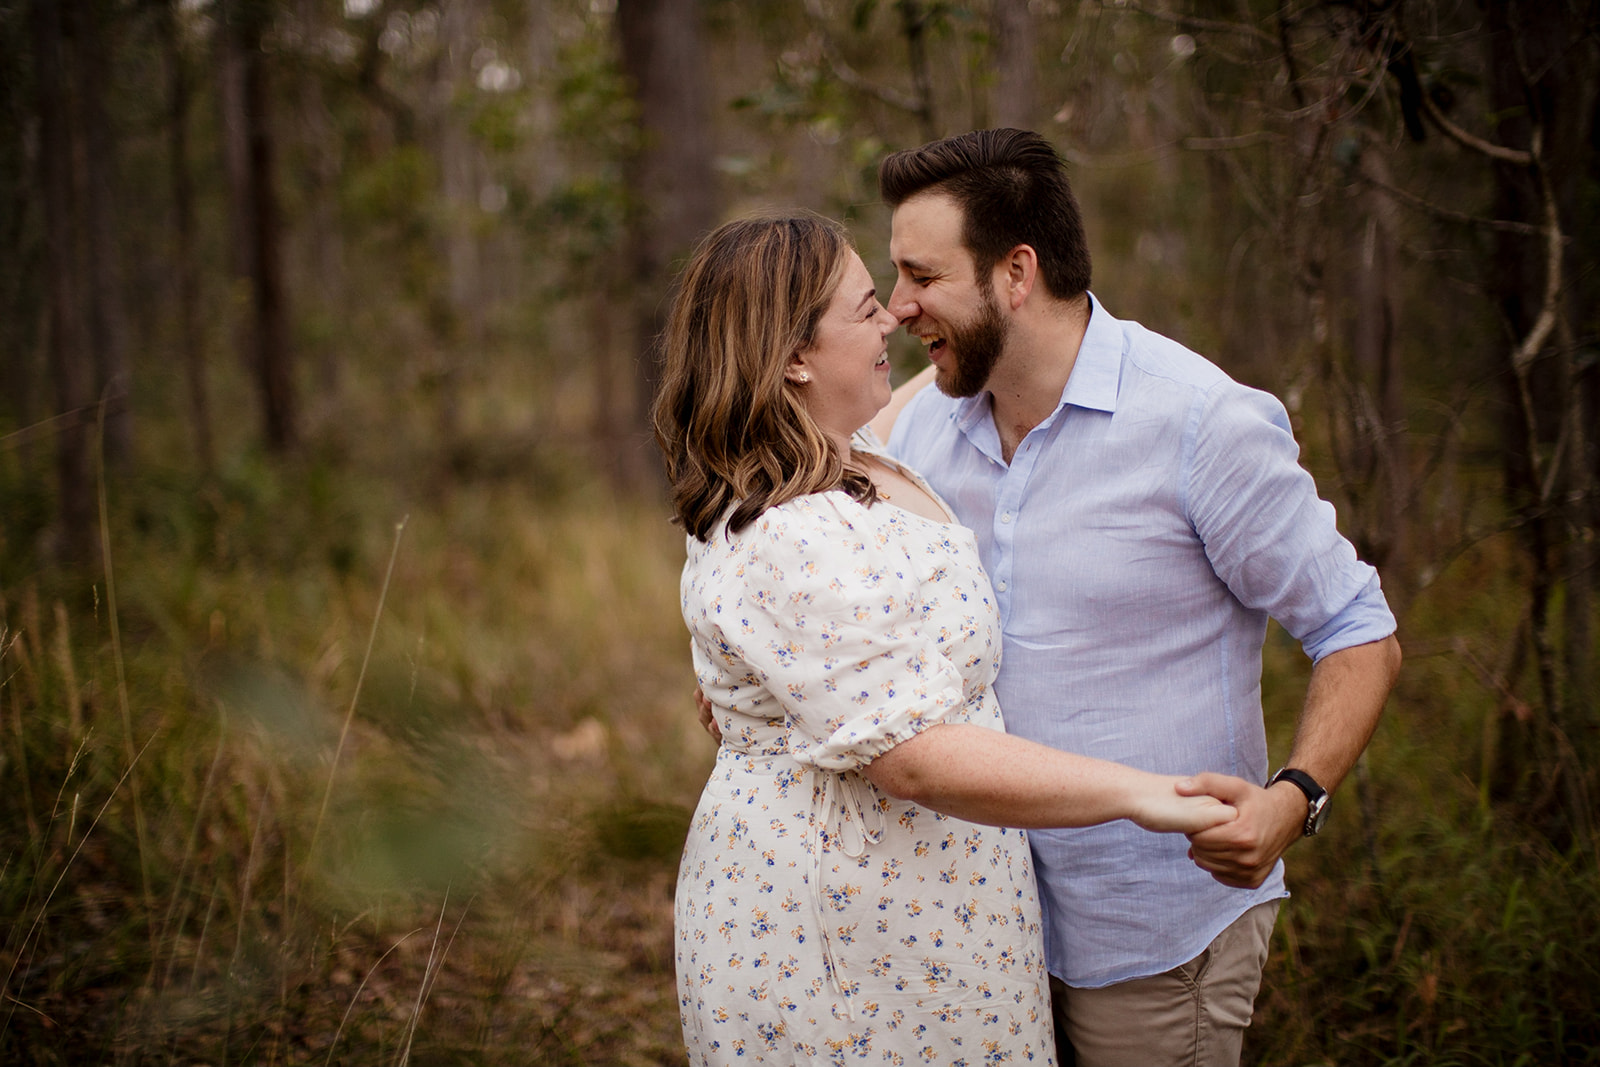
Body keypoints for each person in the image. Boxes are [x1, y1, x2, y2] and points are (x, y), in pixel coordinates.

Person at [866, 128, 1403, 1066]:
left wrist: (1295, 797)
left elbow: (1359, 629)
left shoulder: (1200, 423)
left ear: (1016, 272)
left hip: (1155, 934)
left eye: (922, 277)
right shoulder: (923, 427)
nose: (898, 307)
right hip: (977, 926)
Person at [654, 212, 1241, 1064]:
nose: (891, 316)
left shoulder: (851, 451)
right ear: (793, 358)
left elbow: (968, 365)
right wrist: (1141, 794)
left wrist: (1026, 317)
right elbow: (913, 755)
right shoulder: (791, 533)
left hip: (929, 906)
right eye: (863, 309)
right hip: (845, 927)